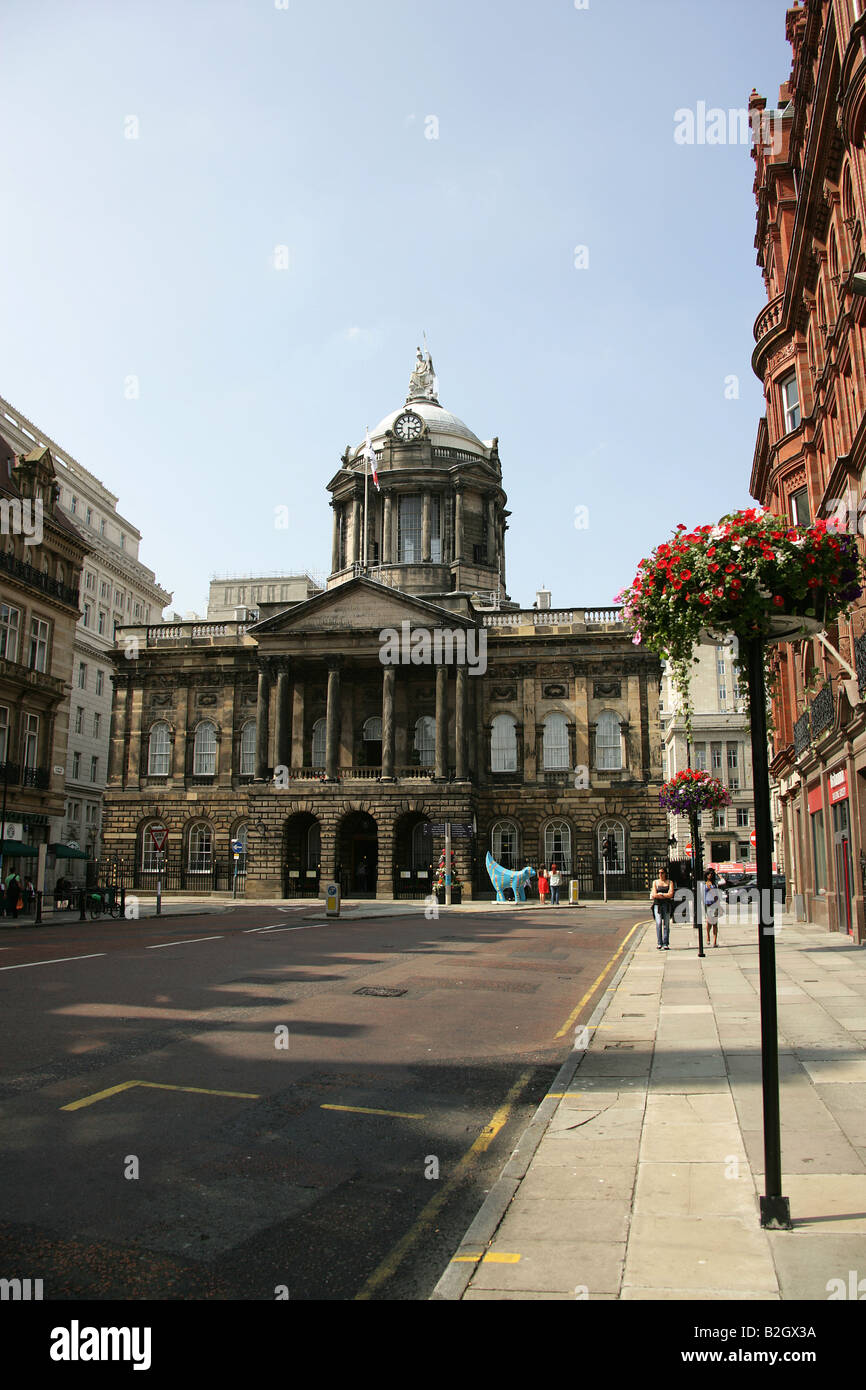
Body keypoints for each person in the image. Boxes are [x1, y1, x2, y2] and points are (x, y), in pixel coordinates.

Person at [650, 865, 675, 949]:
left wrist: (660, 894)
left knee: (666, 924)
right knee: (659, 923)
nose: (660, 874)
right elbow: (654, 894)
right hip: (657, 905)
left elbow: (671, 894)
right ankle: (659, 943)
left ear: (665, 873)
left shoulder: (670, 882)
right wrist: (665, 895)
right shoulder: (655, 882)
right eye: (659, 873)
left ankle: (666, 943)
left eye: (662, 873)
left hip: (667, 905)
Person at [704, 869, 721, 948]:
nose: (710, 876)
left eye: (711, 874)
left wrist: (718, 874)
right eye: (708, 874)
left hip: (715, 904)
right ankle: (708, 936)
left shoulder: (715, 884)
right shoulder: (704, 884)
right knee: (708, 922)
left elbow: (723, 881)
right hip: (708, 904)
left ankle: (714, 941)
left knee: (714, 923)